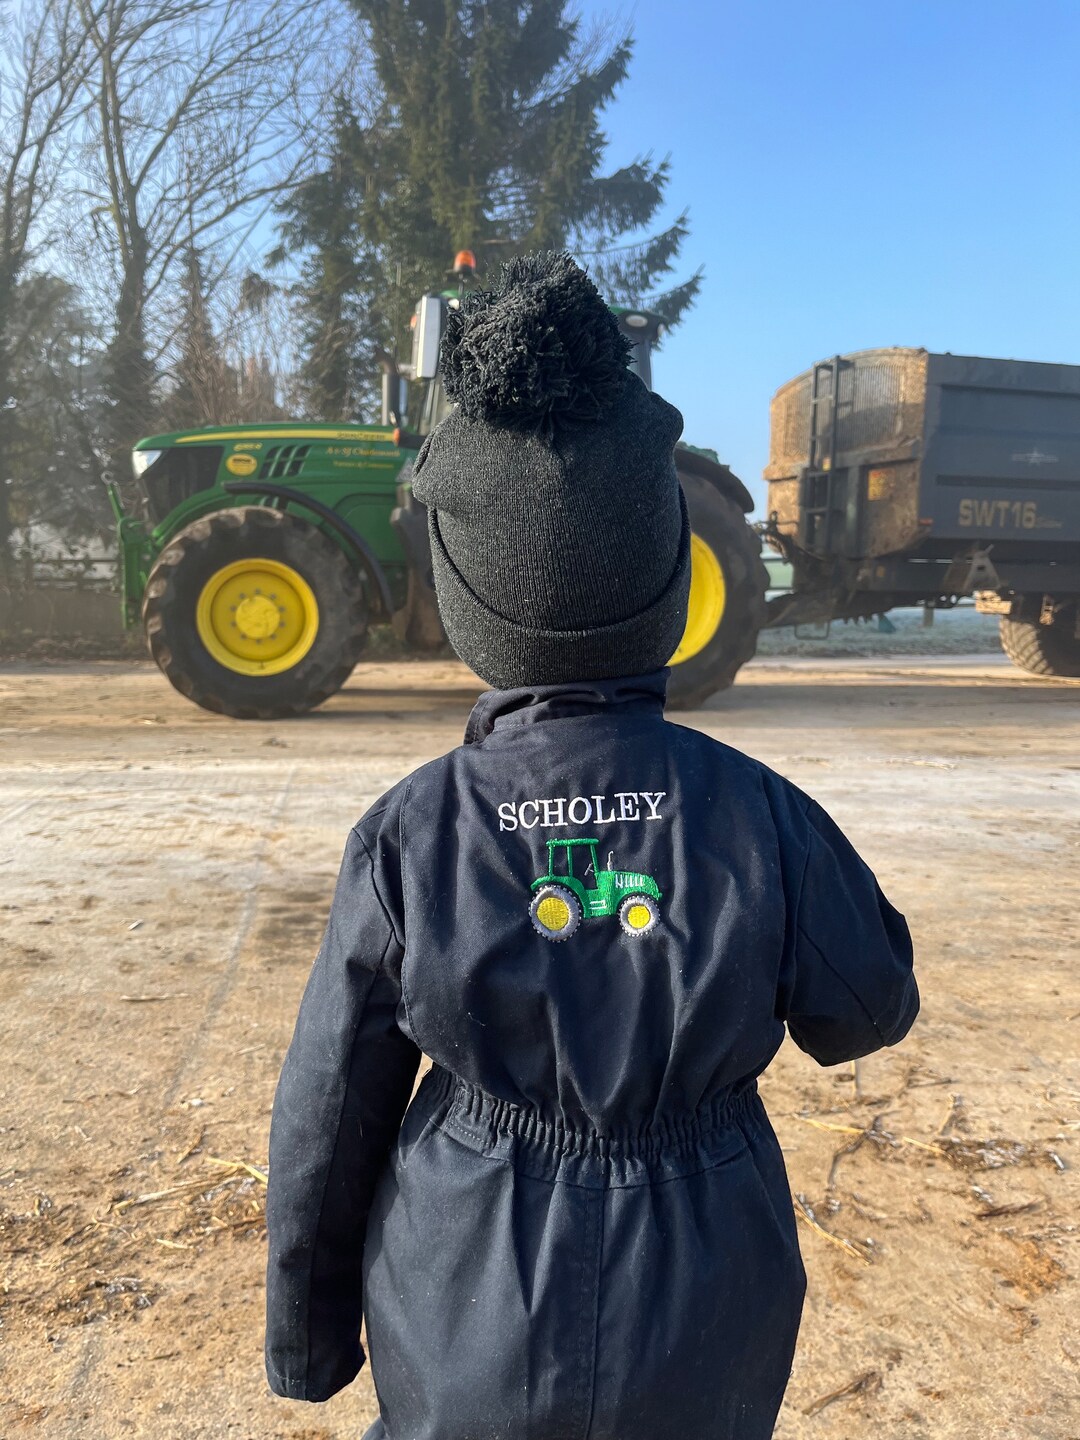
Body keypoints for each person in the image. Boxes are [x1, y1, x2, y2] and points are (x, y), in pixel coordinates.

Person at [263, 252, 919, 1440]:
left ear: (468, 596)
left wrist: (307, 1344)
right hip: (709, 1308)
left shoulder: (413, 833)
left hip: (465, 1289)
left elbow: (328, 1107)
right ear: (666, 570)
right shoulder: (759, 812)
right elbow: (867, 1008)